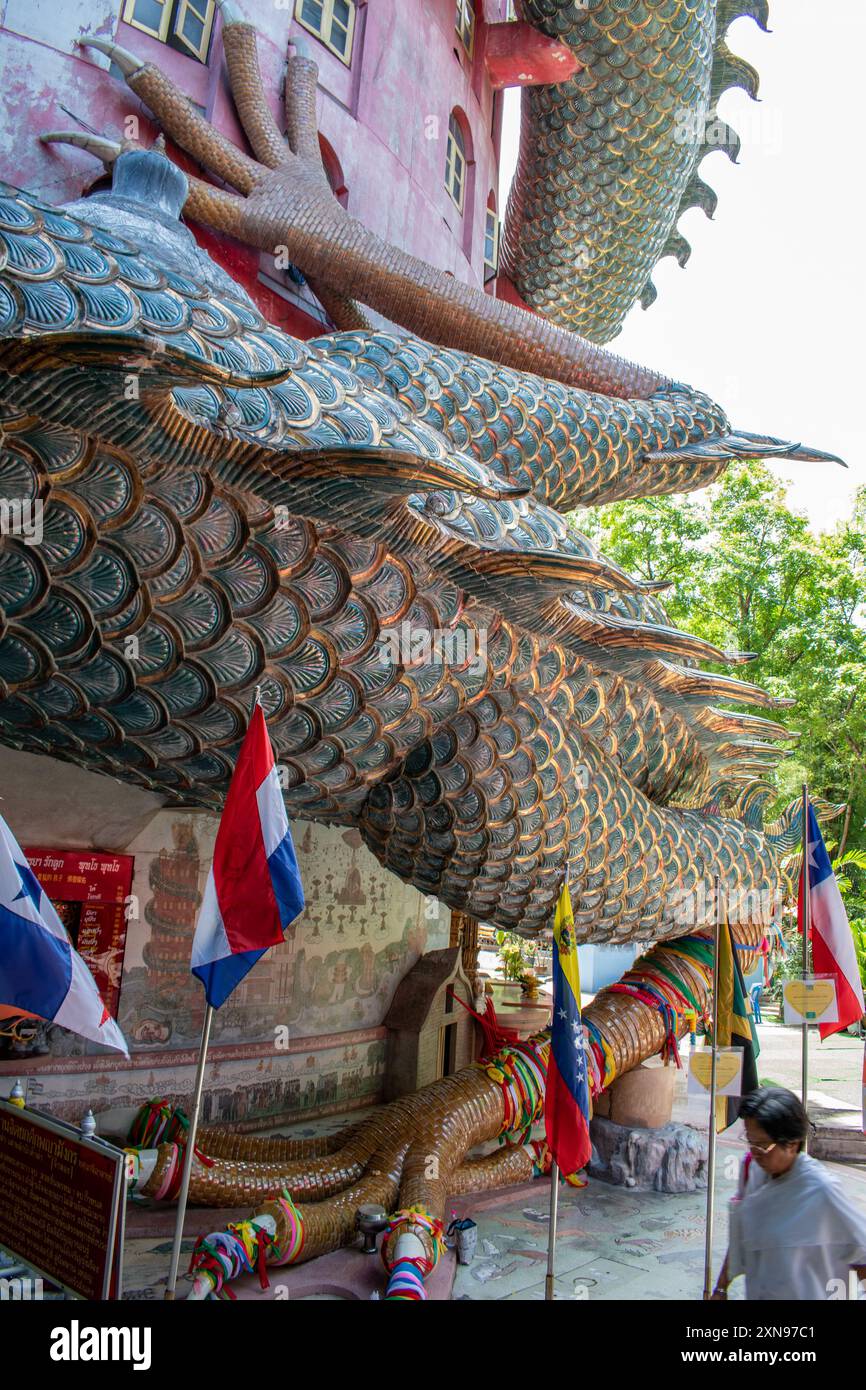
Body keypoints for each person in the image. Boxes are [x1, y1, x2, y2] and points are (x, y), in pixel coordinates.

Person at [712, 1086, 866, 1300]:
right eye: (750, 1142)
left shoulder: (821, 1190)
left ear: (792, 1144)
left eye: (762, 1145)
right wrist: (721, 1288)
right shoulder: (752, 1170)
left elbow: (861, 1251)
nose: (754, 1152)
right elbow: (741, 1233)